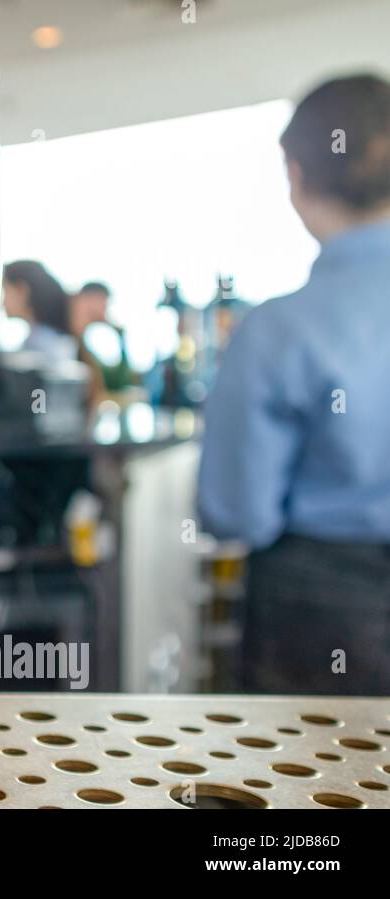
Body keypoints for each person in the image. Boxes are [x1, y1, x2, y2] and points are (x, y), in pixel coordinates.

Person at [198, 74, 390, 695]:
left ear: (296, 177)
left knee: (319, 785)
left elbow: (238, 512)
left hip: (322, 601)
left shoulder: (277, 329)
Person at [70, 281, 137, 397]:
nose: (105, 311)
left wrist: (121, 338)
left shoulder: (84, 347)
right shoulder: (65, 340)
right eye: (105, 304)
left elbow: (117, 384)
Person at [2, 260, 77, 363]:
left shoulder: (40, 346)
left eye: (5, 290)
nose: (2, 302)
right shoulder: (54, 340)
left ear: (22, 291)